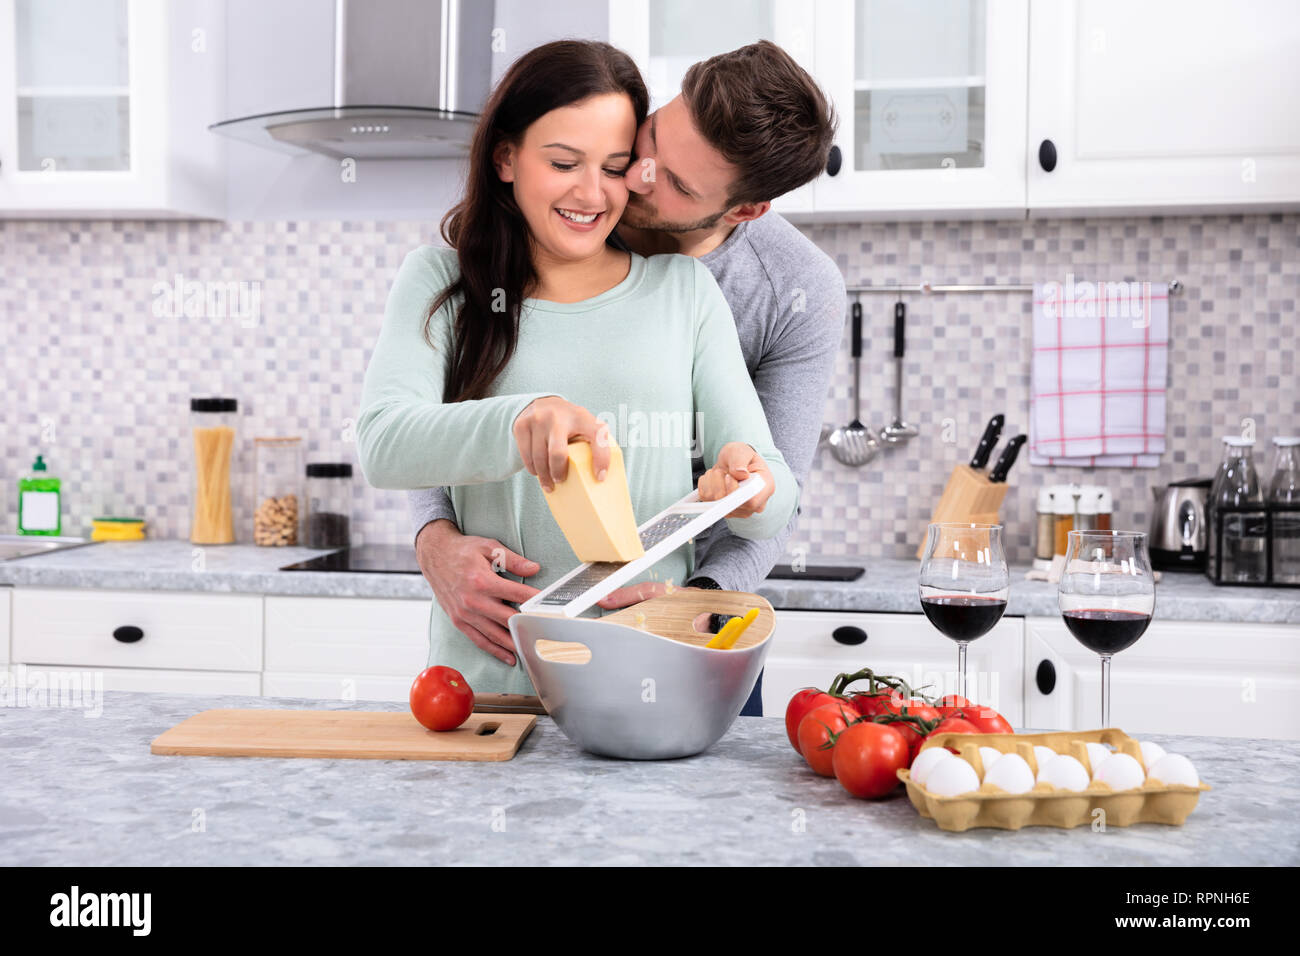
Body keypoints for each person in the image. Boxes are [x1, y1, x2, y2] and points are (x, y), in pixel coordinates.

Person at [409, 41, 847, 715]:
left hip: (689, 628)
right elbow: (443, 399)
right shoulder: (559, 216)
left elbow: (770, 490)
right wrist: (434, 538)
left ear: (743, 210)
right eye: (654, 140)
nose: (635, 178)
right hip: (512, 649)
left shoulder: (795, 290)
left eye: (678, 184)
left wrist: (687, 612)